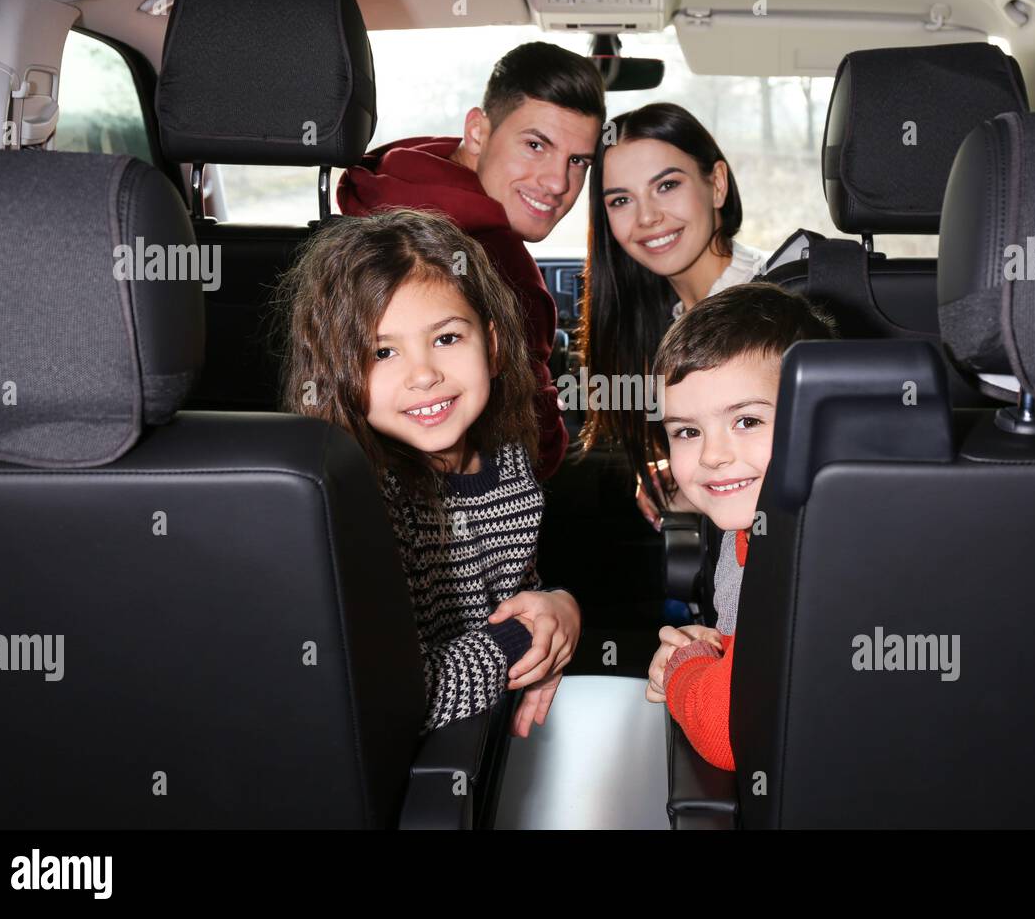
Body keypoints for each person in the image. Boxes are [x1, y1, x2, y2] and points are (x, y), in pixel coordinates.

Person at [278, 208, 581, 737]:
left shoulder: (508, 462)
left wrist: (557, 607)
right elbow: (400, 697)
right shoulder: (366, 505)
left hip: (484, 734)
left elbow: (511, 594)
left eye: (446, 338)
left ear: (491, 345)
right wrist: (527, 639)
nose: (423, 374)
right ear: (337, 374)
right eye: (382, 352)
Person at [336, 41, 607, 483]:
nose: (559, 182)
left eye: (577, 161)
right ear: (478, 132)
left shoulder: (385, 185)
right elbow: (534, 448)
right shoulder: (495, 261)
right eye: (536, 145)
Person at [644, 283, 838, 770]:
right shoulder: (753, 531)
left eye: (747, 421)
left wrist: (683, 670)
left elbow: (733, 731)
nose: (713, 455)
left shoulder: (812, 554)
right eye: (687, 432)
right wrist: (712, 648)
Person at [577, 103, 768, 528]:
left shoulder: (774, 306)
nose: (647, 217)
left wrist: (693, 491)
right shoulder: (671, 315)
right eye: (622, 200)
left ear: (716, 184)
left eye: (666, 186)